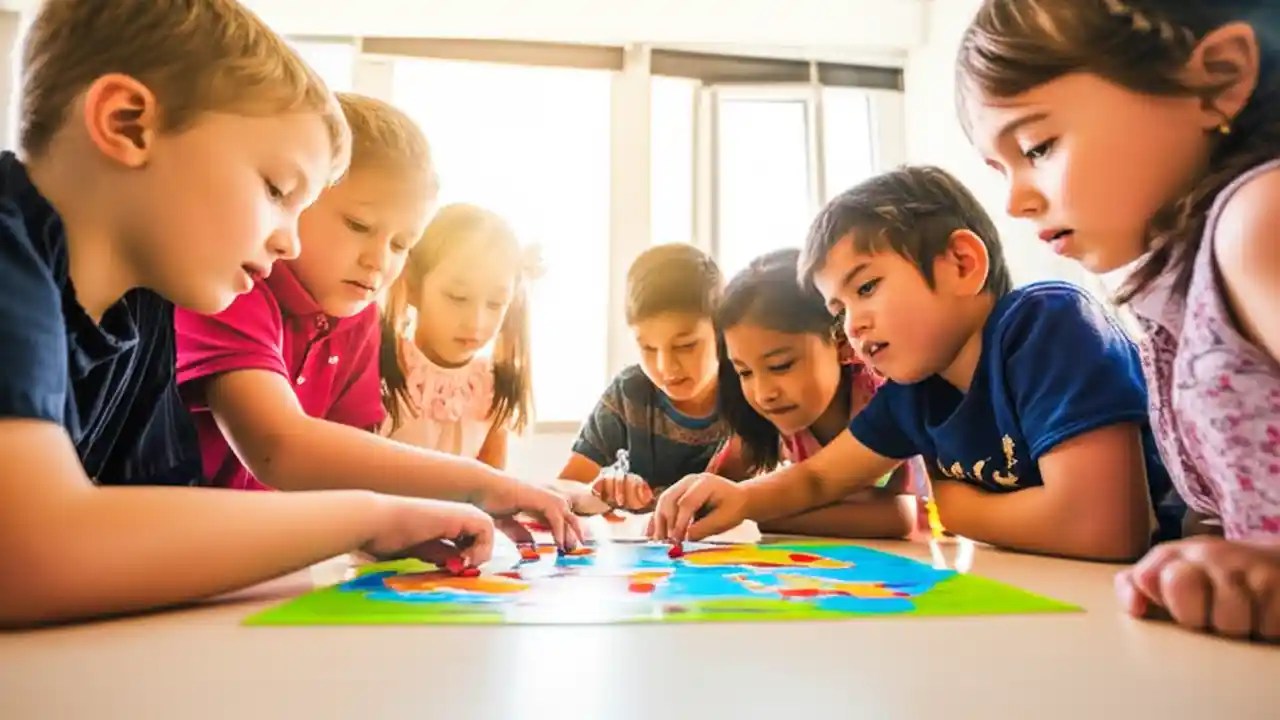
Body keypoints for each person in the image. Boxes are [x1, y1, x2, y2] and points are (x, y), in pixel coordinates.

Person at [0, 0, 492, 628]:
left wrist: (367, 523)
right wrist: (370, 513)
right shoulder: (9, 252)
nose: (290, 241)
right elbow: (29, 555)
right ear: (127, 124)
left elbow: (161, 517)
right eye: (277, 191)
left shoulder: (147, 310)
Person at [651, 166, 1176, 564]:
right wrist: (739, 497)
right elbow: (817, 480)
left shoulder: (1047, 324)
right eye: (839, 310)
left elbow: (1105, 529)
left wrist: (964, 509)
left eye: (867, 287)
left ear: (962, 264)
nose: (852, 325)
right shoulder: (918, 390)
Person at [958, 0, 1279, 641]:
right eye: (1001, 169)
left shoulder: (1259, 218)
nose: (1017, 201)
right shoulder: (1170, 295)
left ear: (1217, 79)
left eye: (1037, 146)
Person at [175, 95, 581, 550]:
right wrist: (479, 482)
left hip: (263, 554)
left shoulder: (359, 316)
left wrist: (402, 529)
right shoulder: (236, 286)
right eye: (358, 224)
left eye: (401, 243)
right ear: (297, 200)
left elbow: (346, 475)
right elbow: (279, 447)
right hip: (183, 549)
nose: (378, 260)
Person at [704, 249, 918, 539]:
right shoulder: (768, 416)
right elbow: (714, 494)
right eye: (744, 372)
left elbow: (899, 517)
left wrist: (760, 514)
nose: (763, 393)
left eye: (781, 366)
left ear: (842, 341)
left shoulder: (882, 401)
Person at [559, 244, 728, 512]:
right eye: (647, 348)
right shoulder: (629, 393)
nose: (665, 367)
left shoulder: (749, 388)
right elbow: (565, 487)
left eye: (685, 346)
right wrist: (602, 490)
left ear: (721, 330)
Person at [381, 203, 537, 467]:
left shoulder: (491, 386)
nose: (476, 322)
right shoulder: (384, 369)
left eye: (495, 304)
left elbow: (494, 487)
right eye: (458, 297)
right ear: (414, 287)